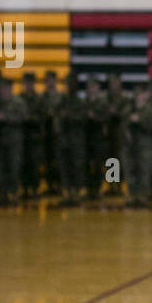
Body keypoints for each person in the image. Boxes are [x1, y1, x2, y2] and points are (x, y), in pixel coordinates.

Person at [0, 76, 26, 207]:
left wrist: (6, 118)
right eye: (2, 88)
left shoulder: (18, 102)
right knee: (0, 169)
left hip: (14, 141)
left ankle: (14, 194)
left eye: (6, 88)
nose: (4, 90)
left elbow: (23, 119)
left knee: (13, 168)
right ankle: (3, 195)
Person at [124, 83, 152, 208]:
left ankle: (143, 196)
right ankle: (133, 195)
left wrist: (140, 119)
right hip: (131, 145)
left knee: (144, 170)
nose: (138, 96)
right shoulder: (130, 108)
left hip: (145, 145)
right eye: (136, 93)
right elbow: (122, 121)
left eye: (140, 93)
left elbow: (151, 125)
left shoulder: (149, 109)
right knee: (131, 170)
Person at [58, 74, 88, 208]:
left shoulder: (80, 102)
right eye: (67, 83)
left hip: (76, 139)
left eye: (71, 84)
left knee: (77, 166)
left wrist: (69, 116)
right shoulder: (62, 101)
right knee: (65, 167)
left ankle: (76, 193)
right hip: (64, 139)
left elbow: (83, 119)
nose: (68, 86)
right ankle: (68, 192)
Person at [105, 74, 132, 200]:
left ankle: (119, 185)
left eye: (116, 82)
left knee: (119, 160)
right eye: (112, 82)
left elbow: (126, 112)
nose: (114, 85)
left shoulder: (124, 98)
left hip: (119, 132)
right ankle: (111, 185)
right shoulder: (107, 97)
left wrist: (116, 112)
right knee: (110, 160)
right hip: (109, 133)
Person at [84, 76, 110, 203]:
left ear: (98, 88)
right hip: (86, 137)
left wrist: (95, 117)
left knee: (99, 165)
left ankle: (98, 189)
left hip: (99, 136)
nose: (92, 89)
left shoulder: (103, 102)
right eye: (90, 86)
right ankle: (89, 189)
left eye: (94, 86)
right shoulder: (85, 102)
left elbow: (107, 118)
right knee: (87, 164)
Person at [19, 72, 44, 200]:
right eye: (26, 82)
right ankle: (25, 189)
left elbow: (42, 117)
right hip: (22, 136)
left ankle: (34, 189)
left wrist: (30, 118)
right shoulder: (19, 98)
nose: (28, 85)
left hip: (34, 136)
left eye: (30, 82)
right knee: (23, 163)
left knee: (34, 164)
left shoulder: (38, 99)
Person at [41, 70, 62, 196]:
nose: (50, 82)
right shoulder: (42, 97)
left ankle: (58, 186)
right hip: (45, 132)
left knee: (58, 161)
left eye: (52, 80)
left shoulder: (60, 96)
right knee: (47, 161)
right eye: (47, 80)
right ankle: (49, 186)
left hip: (57, 132)